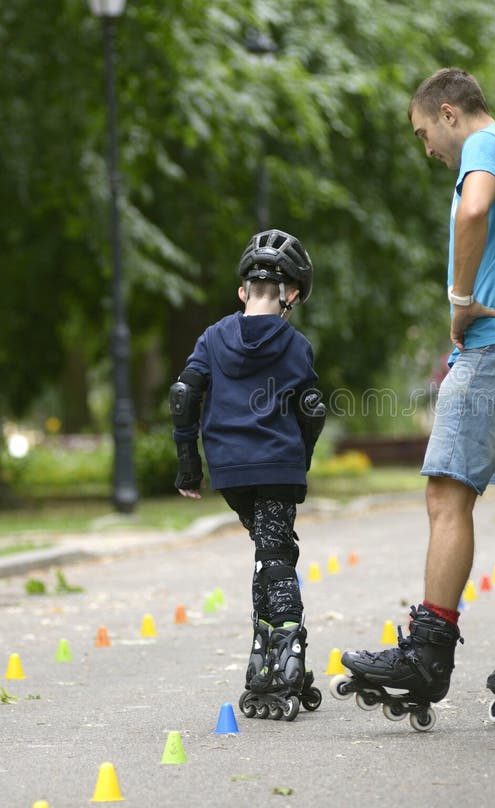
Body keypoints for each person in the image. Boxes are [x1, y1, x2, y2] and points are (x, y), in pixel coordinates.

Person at [338, 68, 495, 728]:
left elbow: (473, 210)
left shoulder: (485, 147)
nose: (427, 150)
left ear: (449, 113)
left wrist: (462, 302)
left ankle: (426, 654)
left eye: (423, 134)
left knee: (446, 493)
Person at [169, 228, 326, 719]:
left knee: (267, 551)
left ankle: (269, 655)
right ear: (292, 293)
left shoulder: (213, 338)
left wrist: (188, 463)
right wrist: (300, 458)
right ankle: (286, 643)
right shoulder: (296, 345)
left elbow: (184, 396)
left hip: (231, 471)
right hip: (276, 465)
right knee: (277, 553)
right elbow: (313, 410)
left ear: (243, 290)